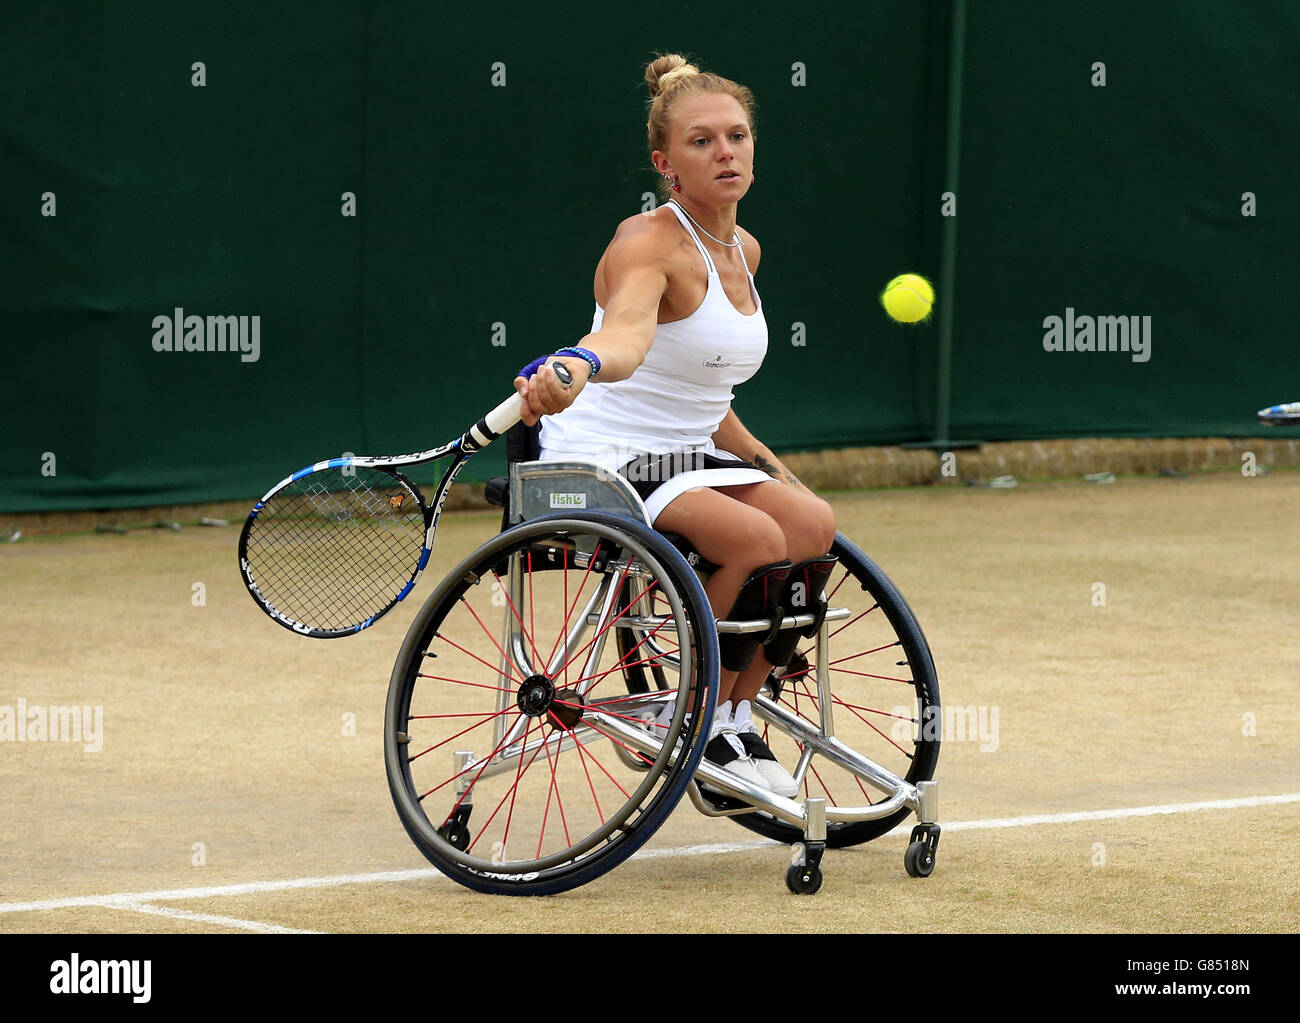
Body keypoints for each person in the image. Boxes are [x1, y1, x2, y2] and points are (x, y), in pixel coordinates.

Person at [514, 54, 836, 799]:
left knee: (811, 524)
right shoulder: (647, 244)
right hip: (607, 454)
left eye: (737, 136)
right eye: (702, 142)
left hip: (688, 454)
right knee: (756, 541)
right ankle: (682, 706)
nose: (725, 152)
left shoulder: (743, 251)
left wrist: (777, 471)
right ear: (666, 163)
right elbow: (626, 337)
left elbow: (706, 398)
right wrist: (575, 366)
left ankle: (731, 712)